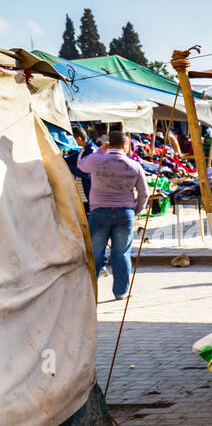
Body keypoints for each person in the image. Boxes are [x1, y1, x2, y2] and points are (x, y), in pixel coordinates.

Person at [77, 130, 149, 301]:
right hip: (125, 213)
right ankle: (121, 292)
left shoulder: (96, 160)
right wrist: (134, 210)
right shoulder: (135, 166)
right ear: (126, 145)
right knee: (122, 253)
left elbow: (81, 166)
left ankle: (89, 293)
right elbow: (144, 193)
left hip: (99, 212)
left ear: (109, 143)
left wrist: (100, 151)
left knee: (95, 253)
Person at [66, 126, 94, 218]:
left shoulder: (91, 152)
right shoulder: (82, 151)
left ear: (78, 139)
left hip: (90, 195)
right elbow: (68, 160)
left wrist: (69, 168)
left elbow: (86, 174)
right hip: (84, 195)